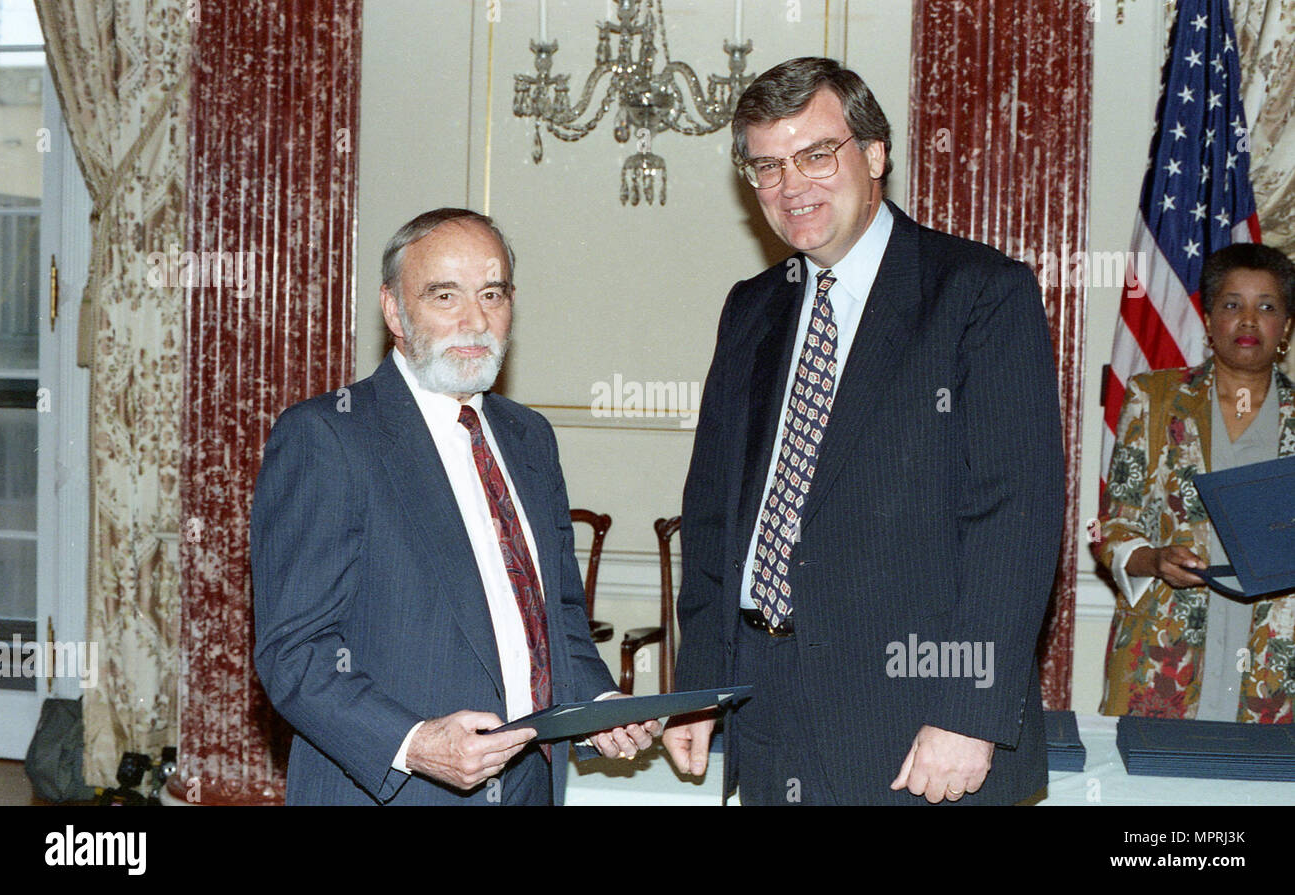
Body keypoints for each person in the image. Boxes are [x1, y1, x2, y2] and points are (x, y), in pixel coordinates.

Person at [661, 57, 1065, 805]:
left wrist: (967, 712)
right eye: (768, 166)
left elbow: (1016, 520)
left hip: (917, 722)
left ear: (875, 154)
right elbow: (715, 512)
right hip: (765, 709)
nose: (791, 186)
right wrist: (699, 683)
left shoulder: (979, 293)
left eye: (817, 155)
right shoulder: (751, 307)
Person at [252, 208, 657, 805]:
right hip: (395, 792)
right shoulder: (329, 436)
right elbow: (293, 652)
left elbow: (557, 617)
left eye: (492, 294)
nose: (476, 320)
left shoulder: (529, 438)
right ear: (394, 311)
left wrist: (599, 702)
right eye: (446, 296)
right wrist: (413, 743)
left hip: (531, 786)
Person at [1098, 243, 1295, 723]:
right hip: (1165, 653)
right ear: (1208, 321)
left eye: (1266, 307)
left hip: (1275, 664)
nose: (1248, 320)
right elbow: (1113, 530)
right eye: (1232, 304)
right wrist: (1155, 560)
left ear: (1287, 327)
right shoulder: (1155, 398)